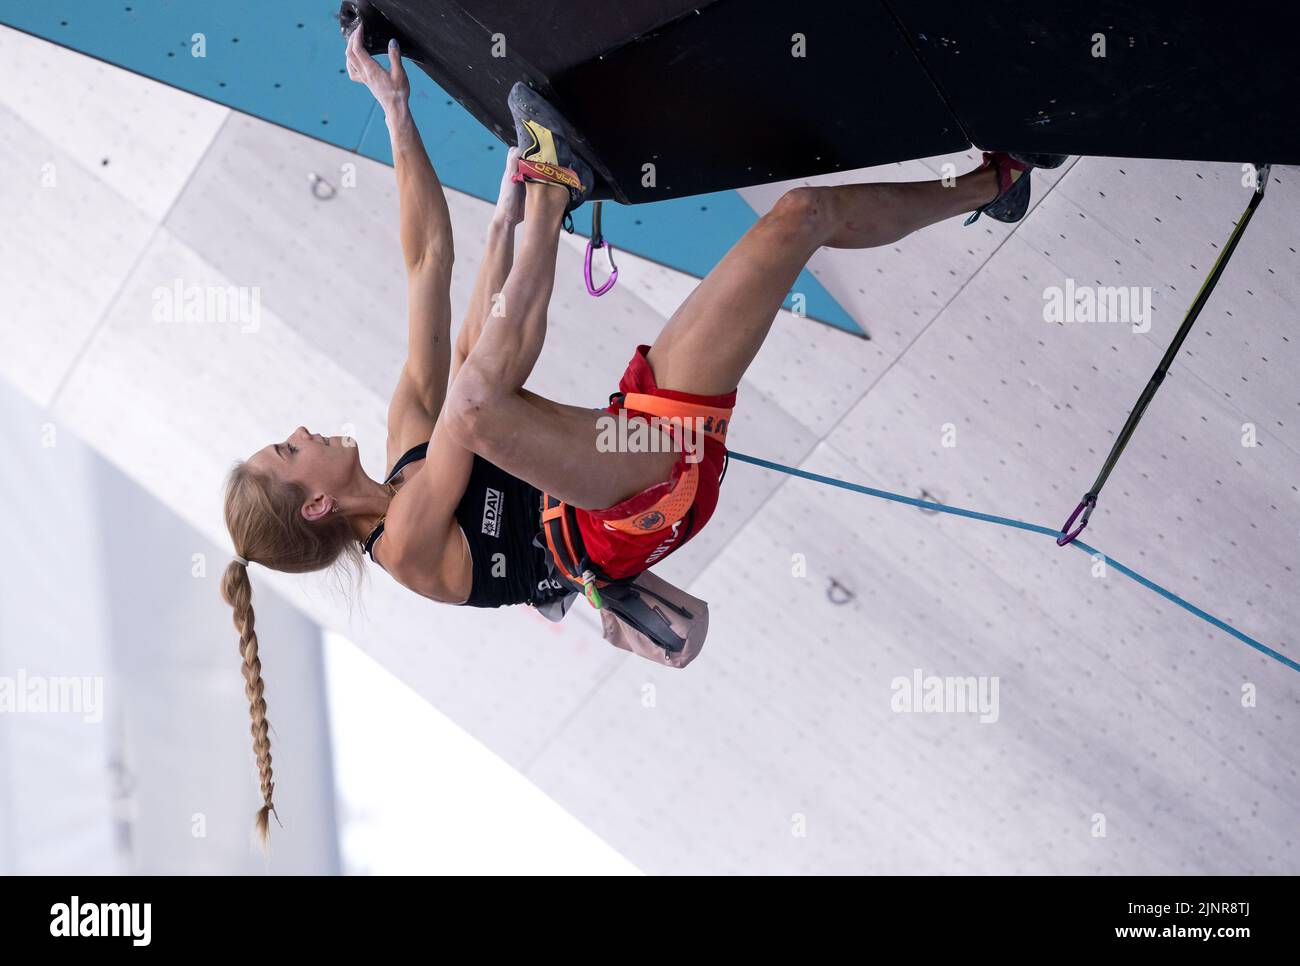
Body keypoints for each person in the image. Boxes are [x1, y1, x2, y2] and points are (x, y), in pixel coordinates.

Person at [221, 25, 1063, 840]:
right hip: (639, 508)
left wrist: (398, 114)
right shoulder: (405, 549)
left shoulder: (403, 434)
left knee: (798, 217)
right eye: (288, 451)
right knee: (472, 405)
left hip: (629, 443)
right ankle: (559, 183)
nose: (298, 430)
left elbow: (424, 264)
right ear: (318, 505)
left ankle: (999, 179)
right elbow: (476, 387)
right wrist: (521, 217)